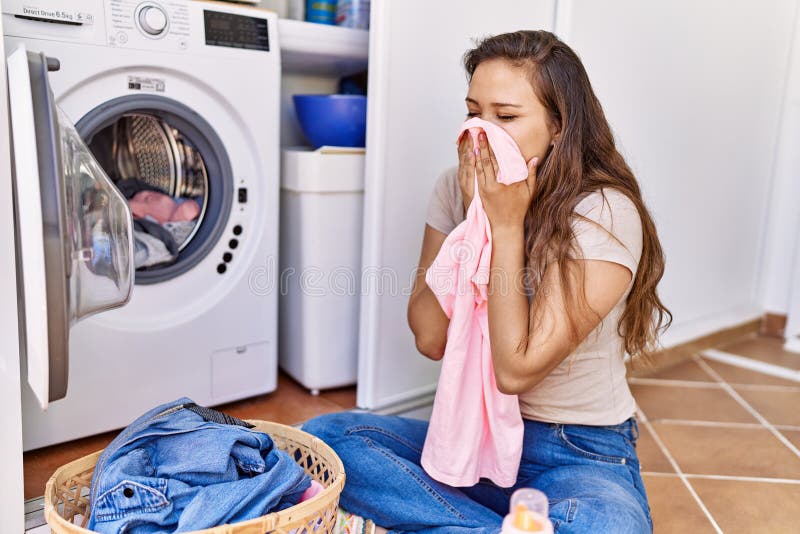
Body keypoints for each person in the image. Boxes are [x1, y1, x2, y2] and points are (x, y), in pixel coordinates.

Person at [302, 30, 671, 534]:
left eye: (506, 116)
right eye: (474, 112)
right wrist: (472, 219)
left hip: (575, 449)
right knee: (327, 440)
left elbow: (515, 371)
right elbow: (430, 337)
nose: (481, 132)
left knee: (608, 526)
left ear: (559, 126)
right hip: (472, 439)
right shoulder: (453, 188)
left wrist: (504, 227)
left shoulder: (603, 211)